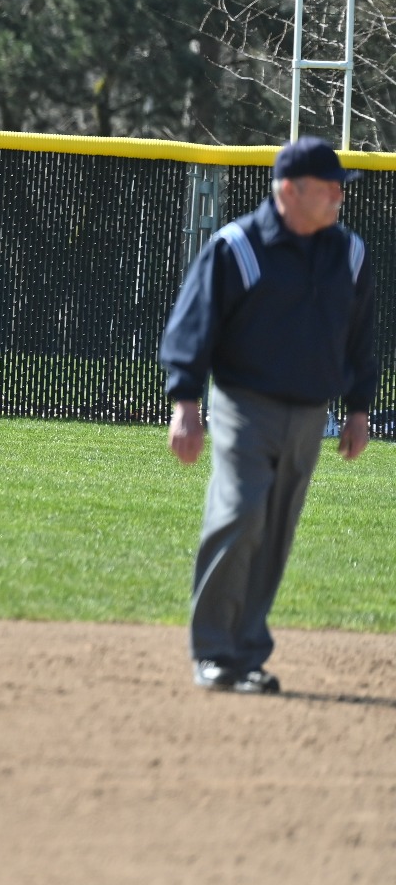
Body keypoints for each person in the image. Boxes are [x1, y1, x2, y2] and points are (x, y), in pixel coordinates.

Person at [159, 135, 377, 694]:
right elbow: (192, 326)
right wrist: (186, 403)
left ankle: (247, 653)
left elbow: (359, 340)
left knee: (276, 530)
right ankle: (214, 650)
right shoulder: (240, 247)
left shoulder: (347, 254)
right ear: (290, 190)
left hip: (310, 412)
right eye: (330, 188)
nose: (339, 198)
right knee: (241, 513)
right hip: (245, 405)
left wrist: (358, 410)